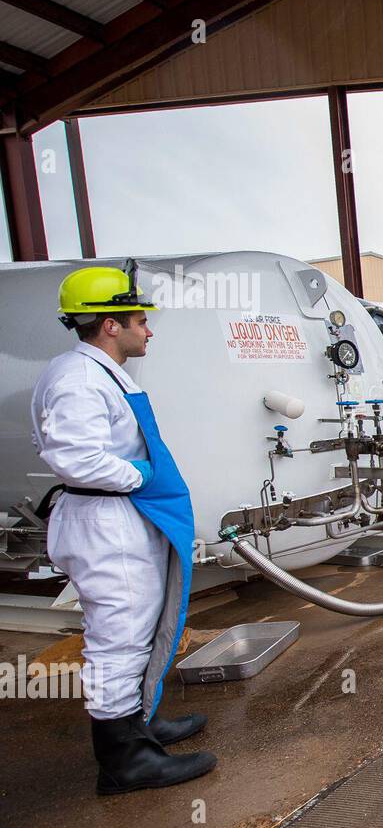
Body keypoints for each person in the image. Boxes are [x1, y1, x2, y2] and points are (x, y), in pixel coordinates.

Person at [31, 263, 216, 795]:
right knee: (118, 638)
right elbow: (76, 458)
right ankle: (124, 761)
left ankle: (138, 723)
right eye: (140, 319)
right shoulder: (78, 378)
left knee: (141, 626)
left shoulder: (99, 372)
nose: (148, 329)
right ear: (110, 324)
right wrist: (142, 474)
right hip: (104, 521)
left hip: (119, 516)